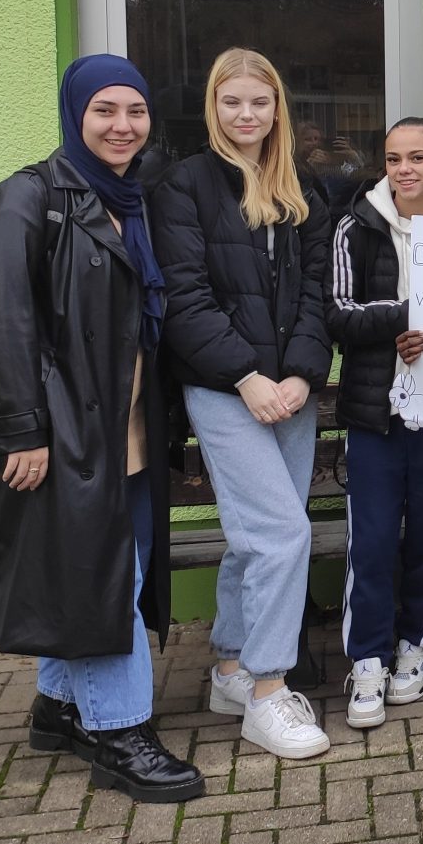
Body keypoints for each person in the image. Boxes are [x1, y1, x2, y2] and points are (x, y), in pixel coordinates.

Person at [0, 55, 202, 803]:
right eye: (104, 110)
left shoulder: (133, 197)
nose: (122, 126)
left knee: (88, 571)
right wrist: (22, 431)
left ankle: (60, 705)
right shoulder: (27, 198)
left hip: (126, 428)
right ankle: (120, 732)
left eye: (135, 111)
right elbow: (5, 322)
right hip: (64, 430)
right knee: (109, 579)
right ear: (75, 114)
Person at [153, 48, 335, 761]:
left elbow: (317, 292)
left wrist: (303, 375)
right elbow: (185, 299)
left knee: (256, 537)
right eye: (232, 102)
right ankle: (268, 690)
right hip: (226, 391)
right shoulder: (184, 186)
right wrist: (245, 377)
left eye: (259, 102)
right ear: (213, 107)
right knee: (283, 535)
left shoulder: (298, 187)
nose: (246, 114)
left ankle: (230, 667)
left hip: (291, 392)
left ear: (277, 107)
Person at [327, 116, 423, 730]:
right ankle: (367, 659)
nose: (404, 169)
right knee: (373, 542)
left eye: (417, 157)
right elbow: (339, 314)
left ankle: (415, 644)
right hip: (373, 414)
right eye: (393, 159)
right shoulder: (356, 224)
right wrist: (409, 319)